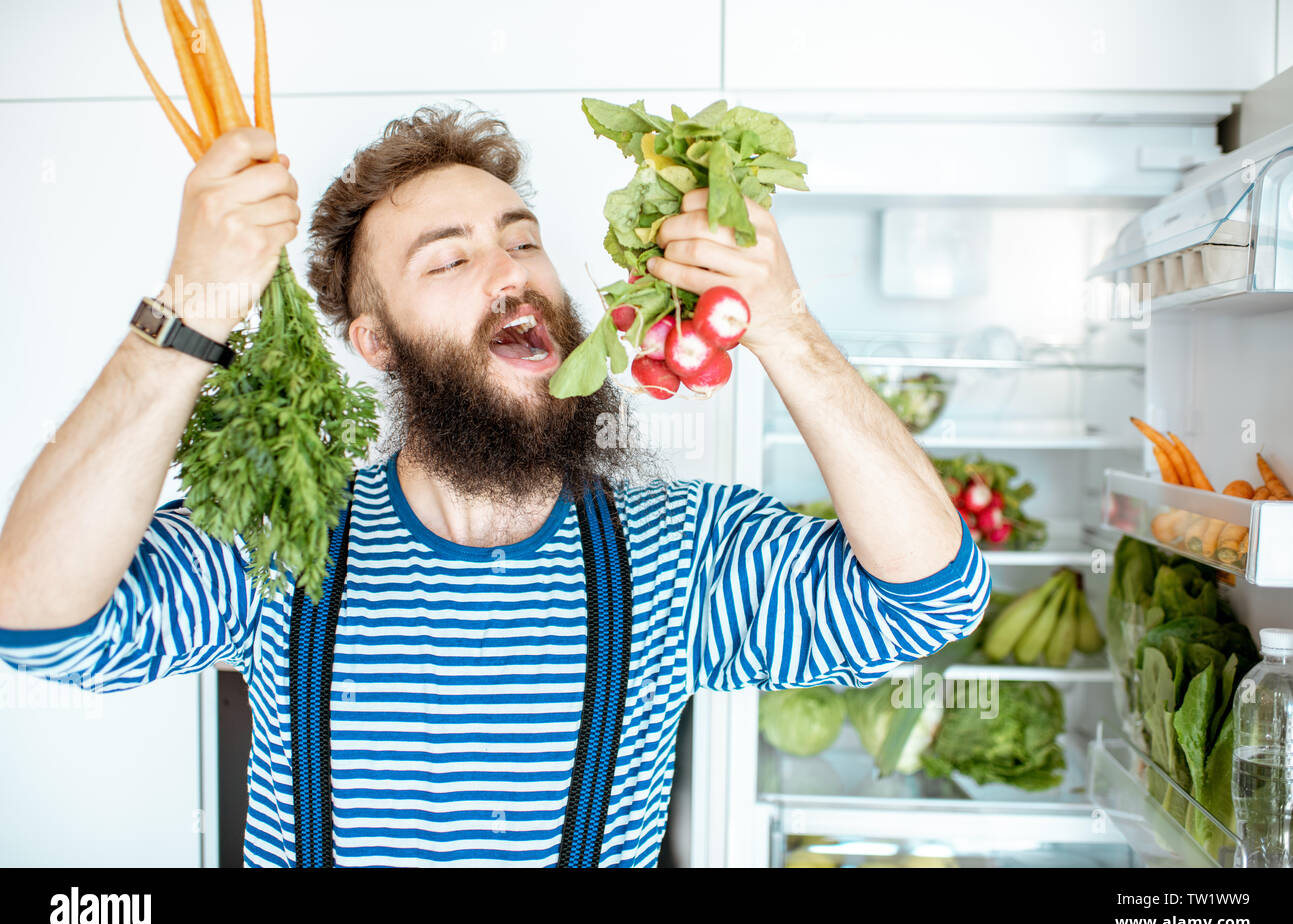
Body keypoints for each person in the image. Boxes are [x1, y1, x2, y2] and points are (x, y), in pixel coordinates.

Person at [0, 105, 989, 867]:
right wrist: (191, 309)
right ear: (376, 344)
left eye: (522, 239)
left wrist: (779, 324)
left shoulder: (674, 550)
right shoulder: (285, 540)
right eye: (451, 258)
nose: (511, 274)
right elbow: (36, 618)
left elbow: (927, 598)